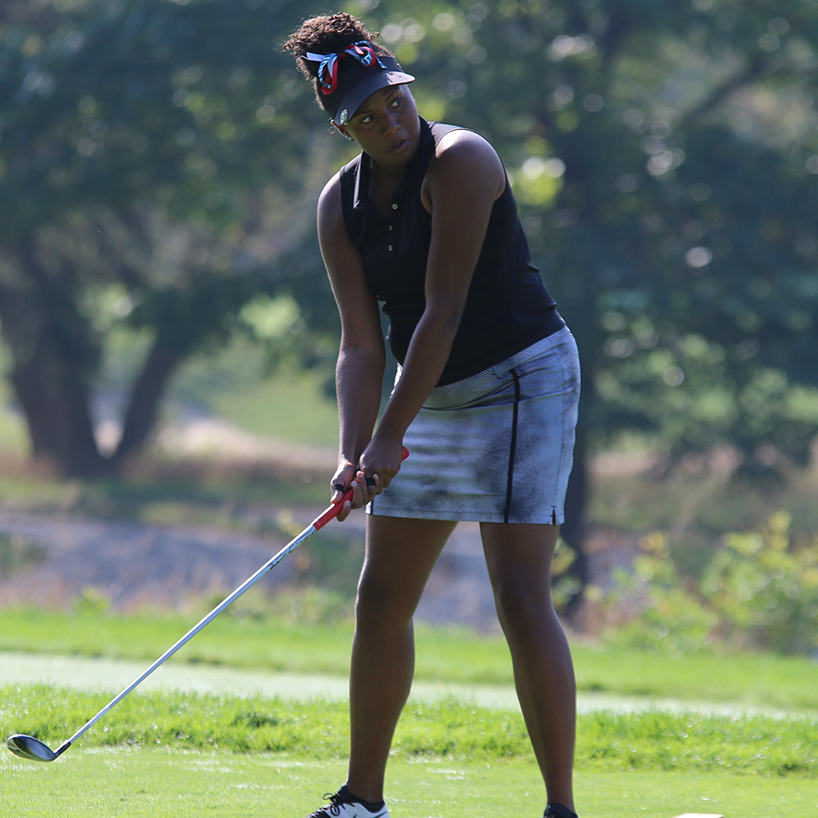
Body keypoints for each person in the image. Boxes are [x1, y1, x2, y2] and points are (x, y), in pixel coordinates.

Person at [282, 13, 583, 818]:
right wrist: (354, 455)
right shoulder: (338, 207)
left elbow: (440, 315)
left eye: (396, 100)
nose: (392, 122)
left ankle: (560, 807)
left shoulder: (462, 160)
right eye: (368, 117)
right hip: (429, 387)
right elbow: (359, 345)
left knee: (519, 594)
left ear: (407, 87)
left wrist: (388, 436)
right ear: (342, 127)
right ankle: (362, 800)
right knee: (381, 597)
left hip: (522, 379)